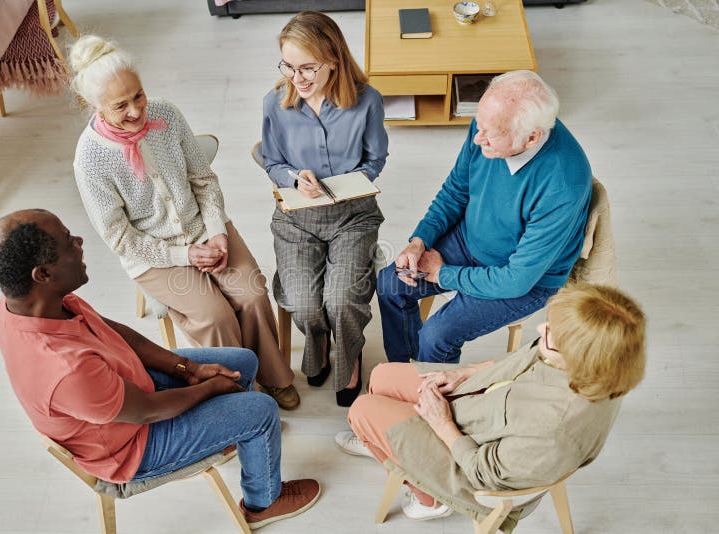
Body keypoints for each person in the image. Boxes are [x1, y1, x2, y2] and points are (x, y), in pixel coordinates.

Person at [0, 209, 320, 528]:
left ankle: (237, 436)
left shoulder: (35, 303)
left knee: (243, 360)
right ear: (42, 274)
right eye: (69, 240)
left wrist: (187, 368)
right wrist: (208, 388)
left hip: (125, 391)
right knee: (260, 410)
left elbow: (112, 331)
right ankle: (263, 503)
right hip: (131, 447)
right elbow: (147, 412)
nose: (80, 242)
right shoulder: (66, 369)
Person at [69, 35, 299, 410]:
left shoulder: (167, 115)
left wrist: (217, 232)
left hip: (204, 228)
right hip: (155, 255)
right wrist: (186, 254)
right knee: (215, 314)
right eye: (120, 105)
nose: (135, 111)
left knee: (253, 294)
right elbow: (120, 237)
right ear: (92, 105)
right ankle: (239, 394)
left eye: (138, 96)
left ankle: (274, 378)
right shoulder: (90, 160)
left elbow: (203, 180)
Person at [336, 283, 645, 526]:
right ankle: (385, 445)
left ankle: (429, 498)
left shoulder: (556, 431)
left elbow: (484, 474)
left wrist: (442, 423)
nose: (540, 331)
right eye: (548, 324)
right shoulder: (589, 361)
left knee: (362, 411)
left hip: (473, 461)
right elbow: (518, 360)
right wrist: (462, 373)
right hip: (481, 402)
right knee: (380, 377)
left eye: (550, 335)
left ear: (580, 358)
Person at [377, 70, 592, 364]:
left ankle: (430, 399)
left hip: (523, 278)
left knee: (436, 336)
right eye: (479, 125)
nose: (477, 138)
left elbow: (516, 280)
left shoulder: (563, 184)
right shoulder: (488, 127)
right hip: (471, 240)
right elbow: (455, 191)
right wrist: (419, 241)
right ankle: (404, 374)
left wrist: (444, 274)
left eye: (490, 134)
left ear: (532, 138)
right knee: (390, 284)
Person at [262, 12, 388, 406]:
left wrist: (348, 182)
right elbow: (270, 161)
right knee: (303, 300)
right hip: (297, 220)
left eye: (307, 67)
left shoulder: (366, 101)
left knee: (342, 299)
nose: (296, 78)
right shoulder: (275, 103)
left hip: (354, 216)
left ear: (333, 58)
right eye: (288, 66)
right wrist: (292, 177)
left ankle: (349, 357)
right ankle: (317, 343)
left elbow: (375, 159)